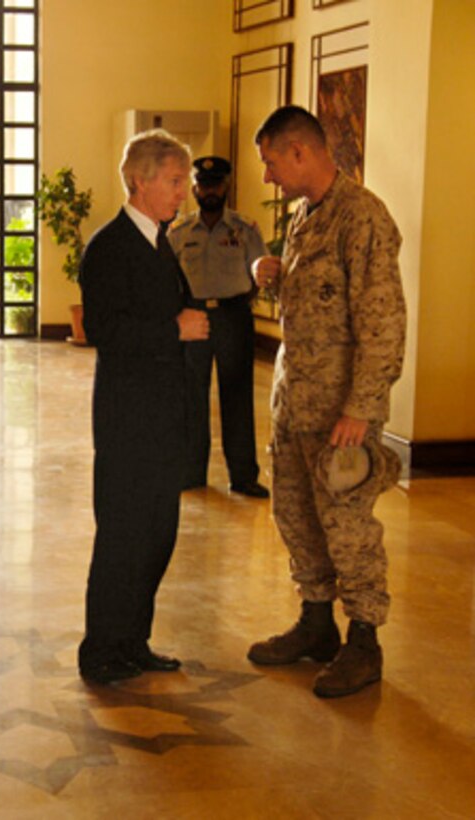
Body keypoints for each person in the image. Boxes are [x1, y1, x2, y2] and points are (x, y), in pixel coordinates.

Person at [246, 105, 406, 699]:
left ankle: (363, 640)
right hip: (297, 402)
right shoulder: (303, 218)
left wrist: (361, 409)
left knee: (348, 524)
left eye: (269, 163)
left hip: (343, 412)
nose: (267, 177)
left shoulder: (361, 218)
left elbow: (382, 322)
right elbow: (319, 301)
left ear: (299, 152)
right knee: (295, 513)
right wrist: (275, 273)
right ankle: (317, 623)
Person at [77, 130, 209, 686]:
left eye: (185, 183)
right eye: (176, 182)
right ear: (140, 179)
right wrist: (172, 328)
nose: (185, 194)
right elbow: (103, 329)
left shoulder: (159, 241)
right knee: (123, 534)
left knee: (157, 533)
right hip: (129, 417)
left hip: (161, 415)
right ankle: (102, 649)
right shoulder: (109, 247)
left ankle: (133, 641)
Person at [168, 156, 269, 498]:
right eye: (203, 184)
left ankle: (243, 476)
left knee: (237, 396)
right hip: (193, 317)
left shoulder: (244, 229)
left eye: (216, 184)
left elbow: (260, 274)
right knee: (190, 396)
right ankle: (190, 472)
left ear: (226, 187)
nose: (209, 191)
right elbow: (167, 278)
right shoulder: (178, 233)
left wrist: (236, 303)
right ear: (195, 188)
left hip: (232, 317)